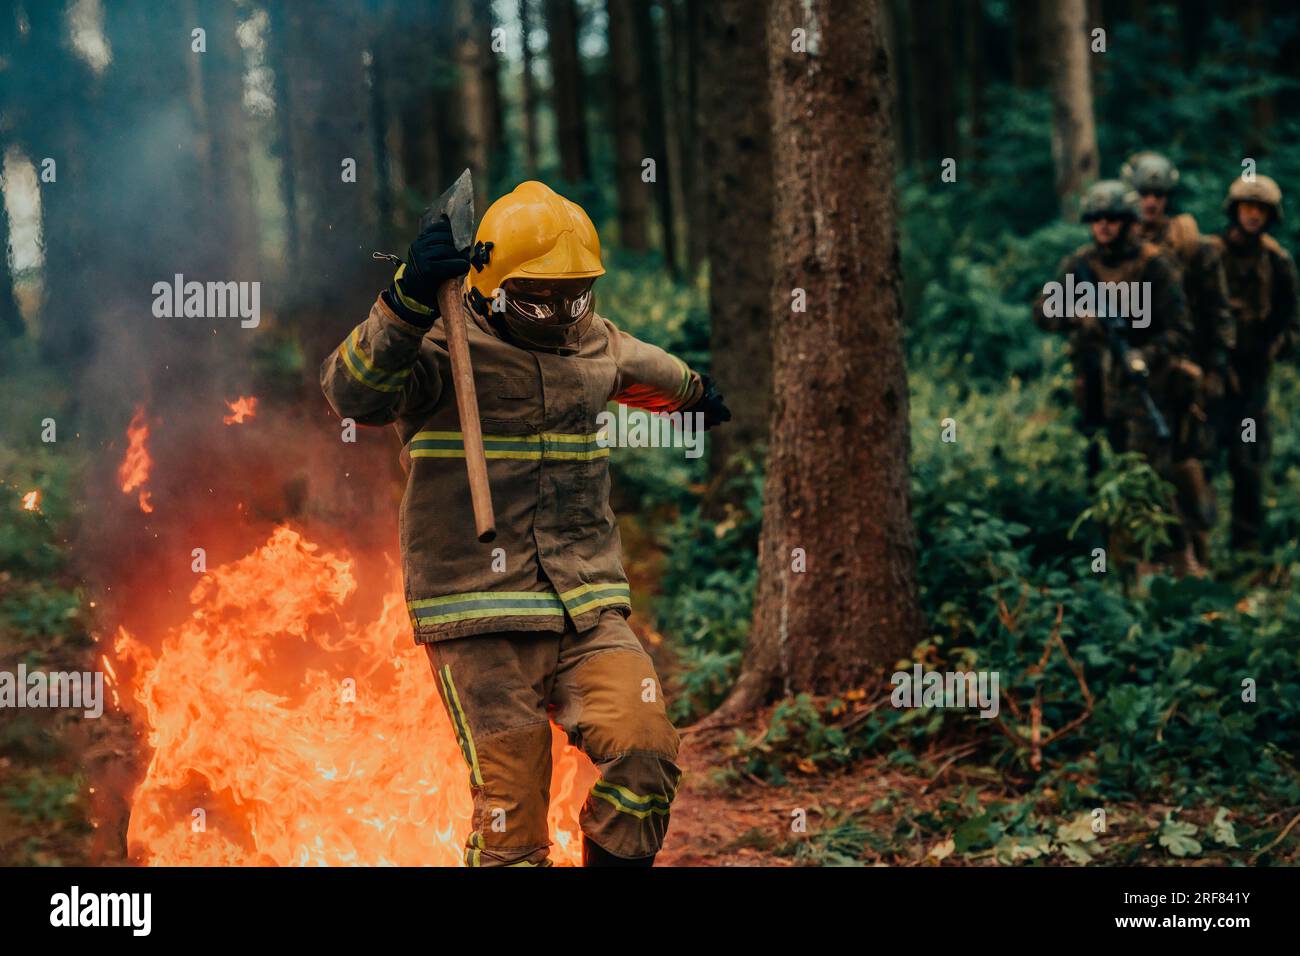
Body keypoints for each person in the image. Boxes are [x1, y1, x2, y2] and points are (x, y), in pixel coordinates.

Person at [321, 180, 731, 866]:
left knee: (646, 753)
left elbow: (646, 365)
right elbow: (351, 390)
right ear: (488, 285)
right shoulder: (438, 353)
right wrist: (406, 298)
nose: (558, 314)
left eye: (574, 297)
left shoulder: (593, 342)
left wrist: (691, 396)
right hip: (476, 616)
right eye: (537, 298)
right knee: (512, 828)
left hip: (587, 608)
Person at [1034, 180, 1196, 572]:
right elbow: (1042, 311)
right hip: (1092, 386)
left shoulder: (1156, 264)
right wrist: (1076, 316)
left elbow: (1180, 330)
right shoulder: (1079, 266)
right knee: (1100, 477)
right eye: (1097, 219)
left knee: (1146, 477)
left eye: (1113, 219)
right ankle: (1110, 564)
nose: (1104, 226)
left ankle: (1167, 564)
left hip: (1144, 389)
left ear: (1128, 223)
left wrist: (1145, 354)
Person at [1121, 151, 1234, 569]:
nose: (1151, 202)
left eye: (1158, 194)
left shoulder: (1193, 246)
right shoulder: (1121, 247)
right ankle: (1145, 562)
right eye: (1143, 194)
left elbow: (1218, 312)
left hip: (1184, 375)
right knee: (1139, 465)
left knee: (1189, 462)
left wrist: (1215, 369)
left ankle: (1197, 560)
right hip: (1137, 376)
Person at [1204, 174, 1298, 551]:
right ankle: (1196, 550)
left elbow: (1291, 320)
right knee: (1201, 458)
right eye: (1247, 208)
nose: (1253, 216)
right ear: (1234, 211)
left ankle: (1245, 551)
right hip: (1213, 376)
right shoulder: (1210, 254)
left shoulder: (1277, 262)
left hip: (1252, 381)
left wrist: (1274, 347)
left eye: (1261, 209)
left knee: (1247, 463)